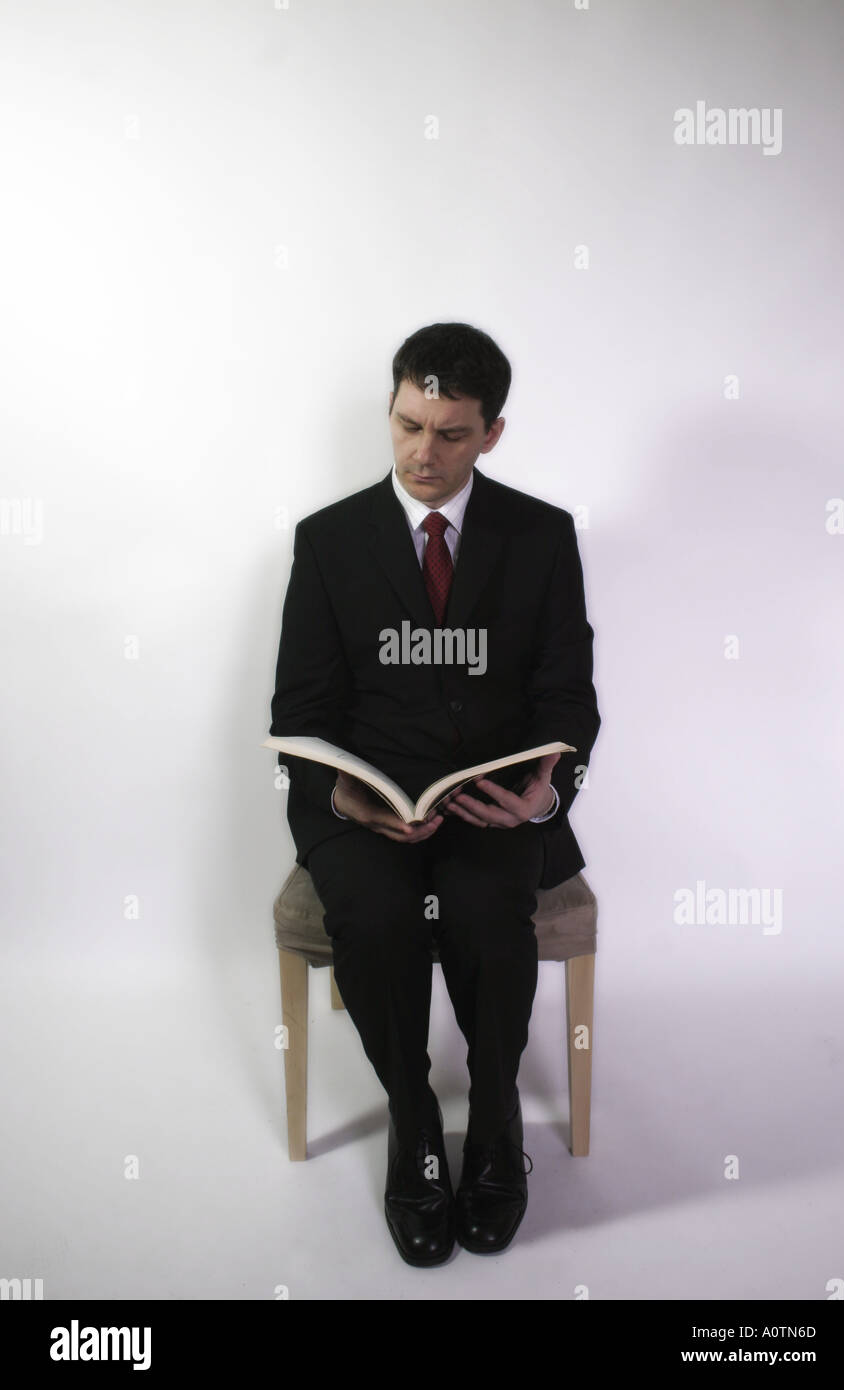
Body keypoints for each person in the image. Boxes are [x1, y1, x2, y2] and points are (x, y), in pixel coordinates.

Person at [269, 321, 600, 1266]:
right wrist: (345, 797)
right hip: (363, 801)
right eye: (409, 423)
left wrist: (540, 797)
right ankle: (412, 1125)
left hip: (489, 798)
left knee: (491, 909)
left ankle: (495, 1125)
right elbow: (303, 705)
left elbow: (566, 695)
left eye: (451, 433)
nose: (424, 452)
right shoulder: (327, 540)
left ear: (492, 432)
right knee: (372, 918)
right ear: (392, 407)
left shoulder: (542, 536)